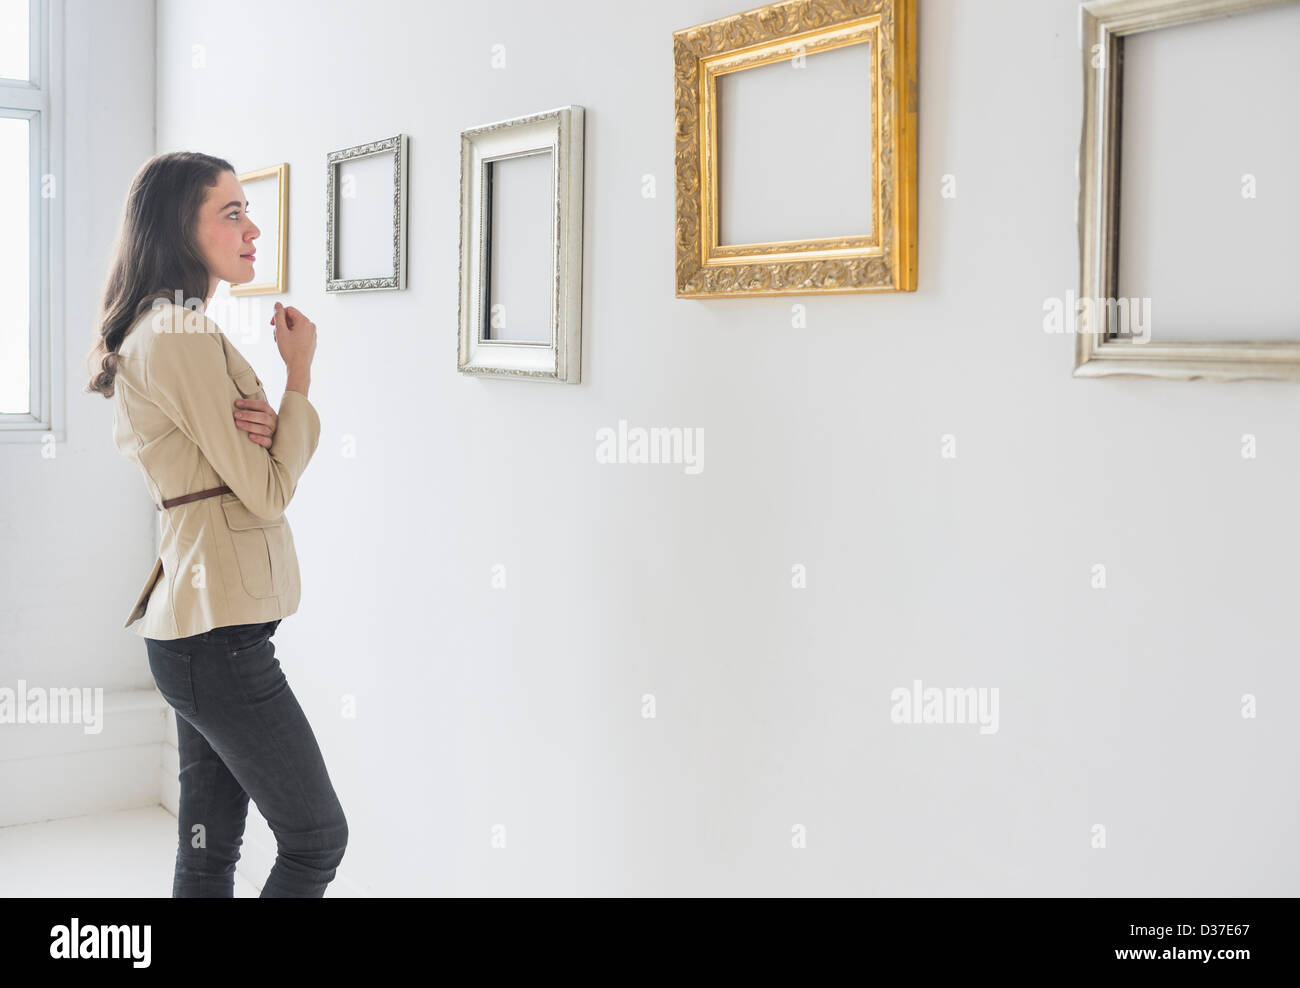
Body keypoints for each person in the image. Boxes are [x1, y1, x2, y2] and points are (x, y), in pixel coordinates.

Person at [85, 151, 346, 897]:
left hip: (200, 633)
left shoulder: (165, 329)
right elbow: (267, 491)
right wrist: (298, 376)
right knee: (316, 838)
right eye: (232, 213)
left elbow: (248, 473)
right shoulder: (179, 334)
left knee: (208, 853)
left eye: (248, 211)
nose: (252, 229)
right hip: (215, 641)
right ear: (180, 227)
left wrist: (275, 427)